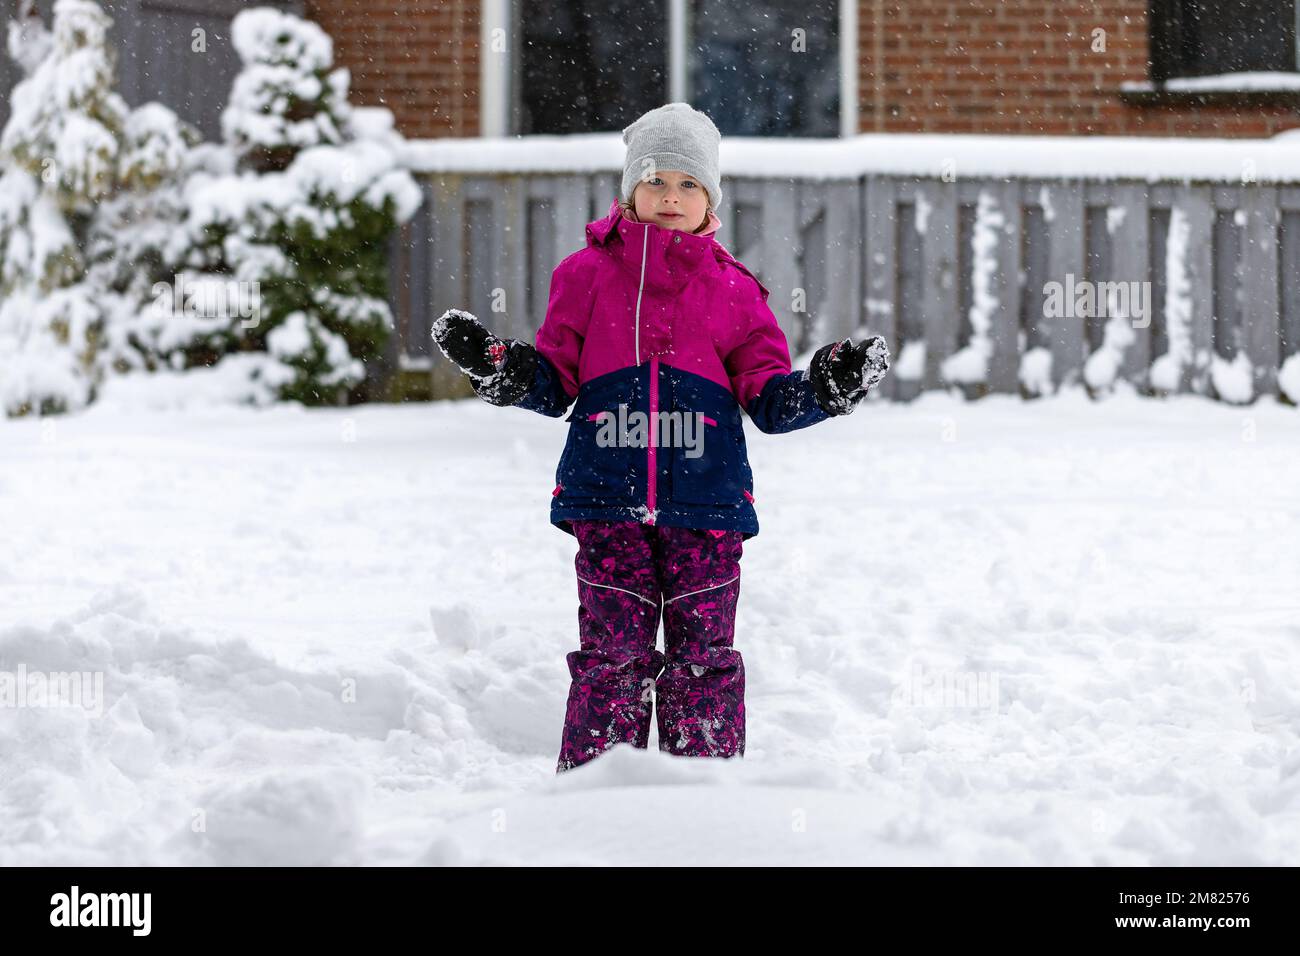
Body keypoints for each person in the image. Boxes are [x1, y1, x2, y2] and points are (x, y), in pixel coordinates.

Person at [432, 102, 890, 772]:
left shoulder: (735, 290)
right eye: (655, 181)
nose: (670, 197)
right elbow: (556, 381)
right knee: (610, 659)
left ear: (710, 199)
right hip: (607, 503)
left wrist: (826, 386)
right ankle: (596, 792)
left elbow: (767, 398)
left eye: (688, 184)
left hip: (706, 511)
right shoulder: (584, 277)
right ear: (629, 190)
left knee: (704, 659)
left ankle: (701, 795)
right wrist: (500, 367)